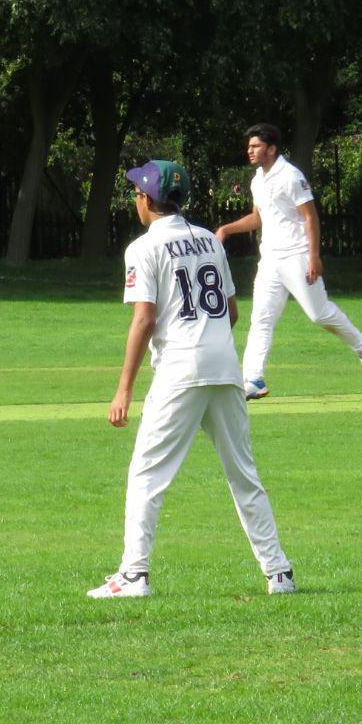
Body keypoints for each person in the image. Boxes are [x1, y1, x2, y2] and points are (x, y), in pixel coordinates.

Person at [88, 159, 296, 599]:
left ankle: (133, 576)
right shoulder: (208, 239)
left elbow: (144, 320)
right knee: (243, 475)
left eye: (136, 194)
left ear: (146, 199)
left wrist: (123, 389)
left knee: (147, 474)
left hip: (179, 370)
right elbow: (232, 311)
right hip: (225, 366)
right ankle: (279, 574)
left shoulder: (142, 248)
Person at [213, 123, 362, 400]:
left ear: (272, 148)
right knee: (261, 319)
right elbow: (258, 218)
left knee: (319, 313)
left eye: (255, 146)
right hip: (270, 260)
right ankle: (253, 379)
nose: (250, 150)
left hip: (297, 255)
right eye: (249, 146)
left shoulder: (290, 176)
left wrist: (313, 257)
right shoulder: (258, 179)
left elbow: (310, 217)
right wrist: (226, 229)